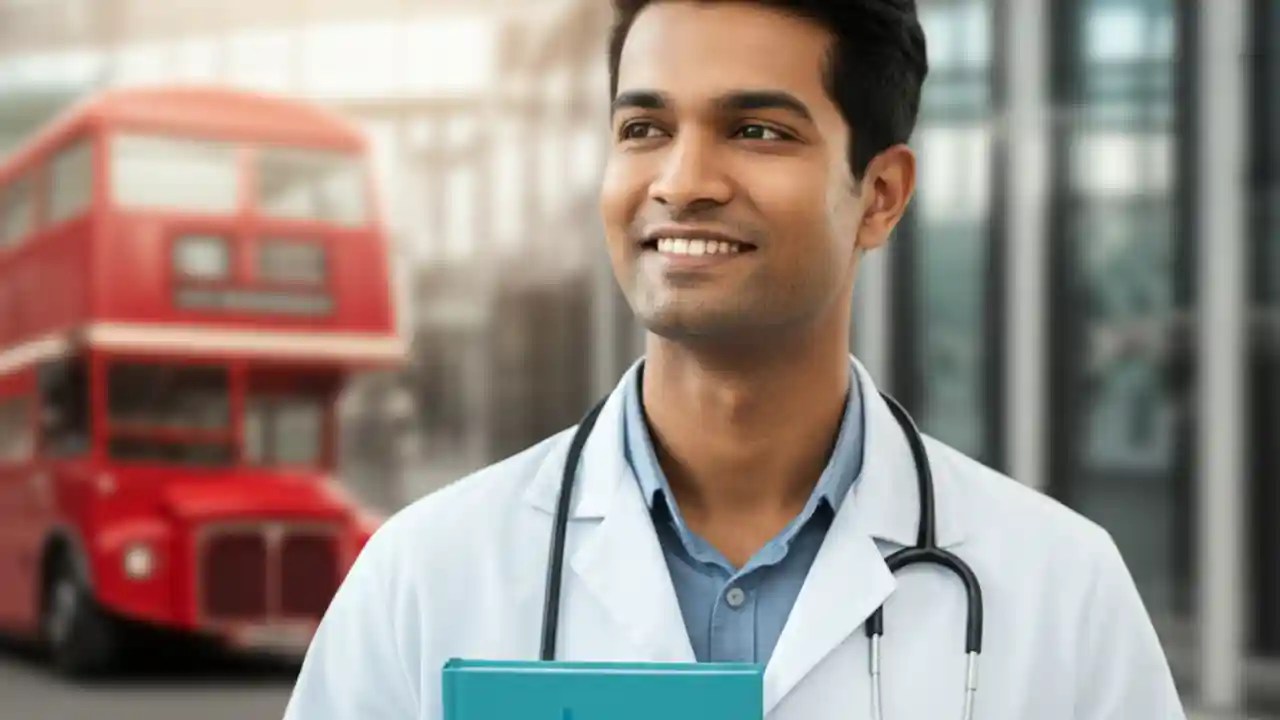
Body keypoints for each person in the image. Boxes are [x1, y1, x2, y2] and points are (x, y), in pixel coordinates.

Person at [284, 1, 1186, 718]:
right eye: (644, 129)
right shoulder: (427, 575)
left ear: (880, 196)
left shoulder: (1061, 589)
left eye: (757, 130)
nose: (682, 181)